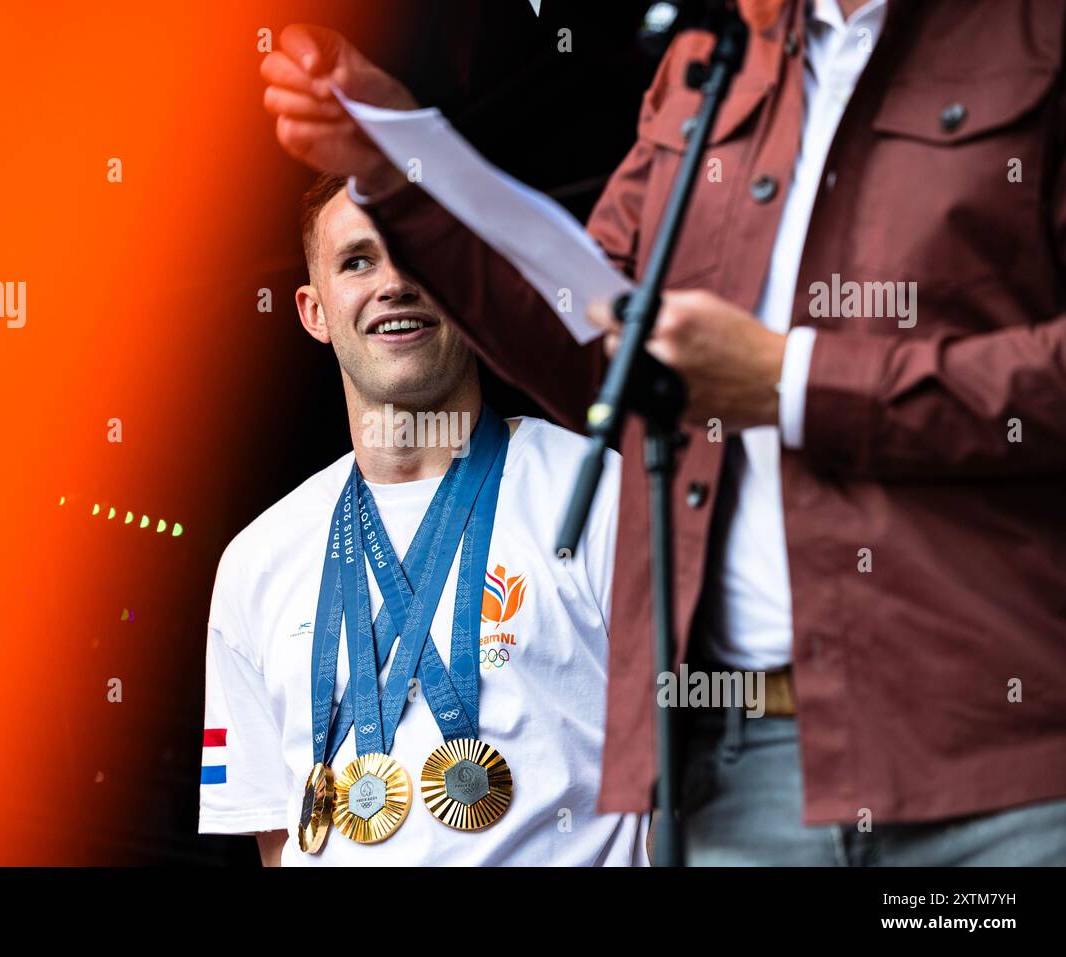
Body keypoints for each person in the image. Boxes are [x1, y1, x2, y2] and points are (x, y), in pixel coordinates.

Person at [259, 0, 1066, 865]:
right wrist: (398, 158)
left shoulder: (1033, 35)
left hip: (994, 751)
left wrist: (791, 383)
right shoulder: (708, 59)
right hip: (740, 762)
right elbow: (589, 341)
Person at [198, 174, 647, 865]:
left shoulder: (600, 496)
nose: (395, 282)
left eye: (421, 255)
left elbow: (692, 783)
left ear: (471, 288)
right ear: (314, 311)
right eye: (358, 260)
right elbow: (279, 840)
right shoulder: (255, 561)